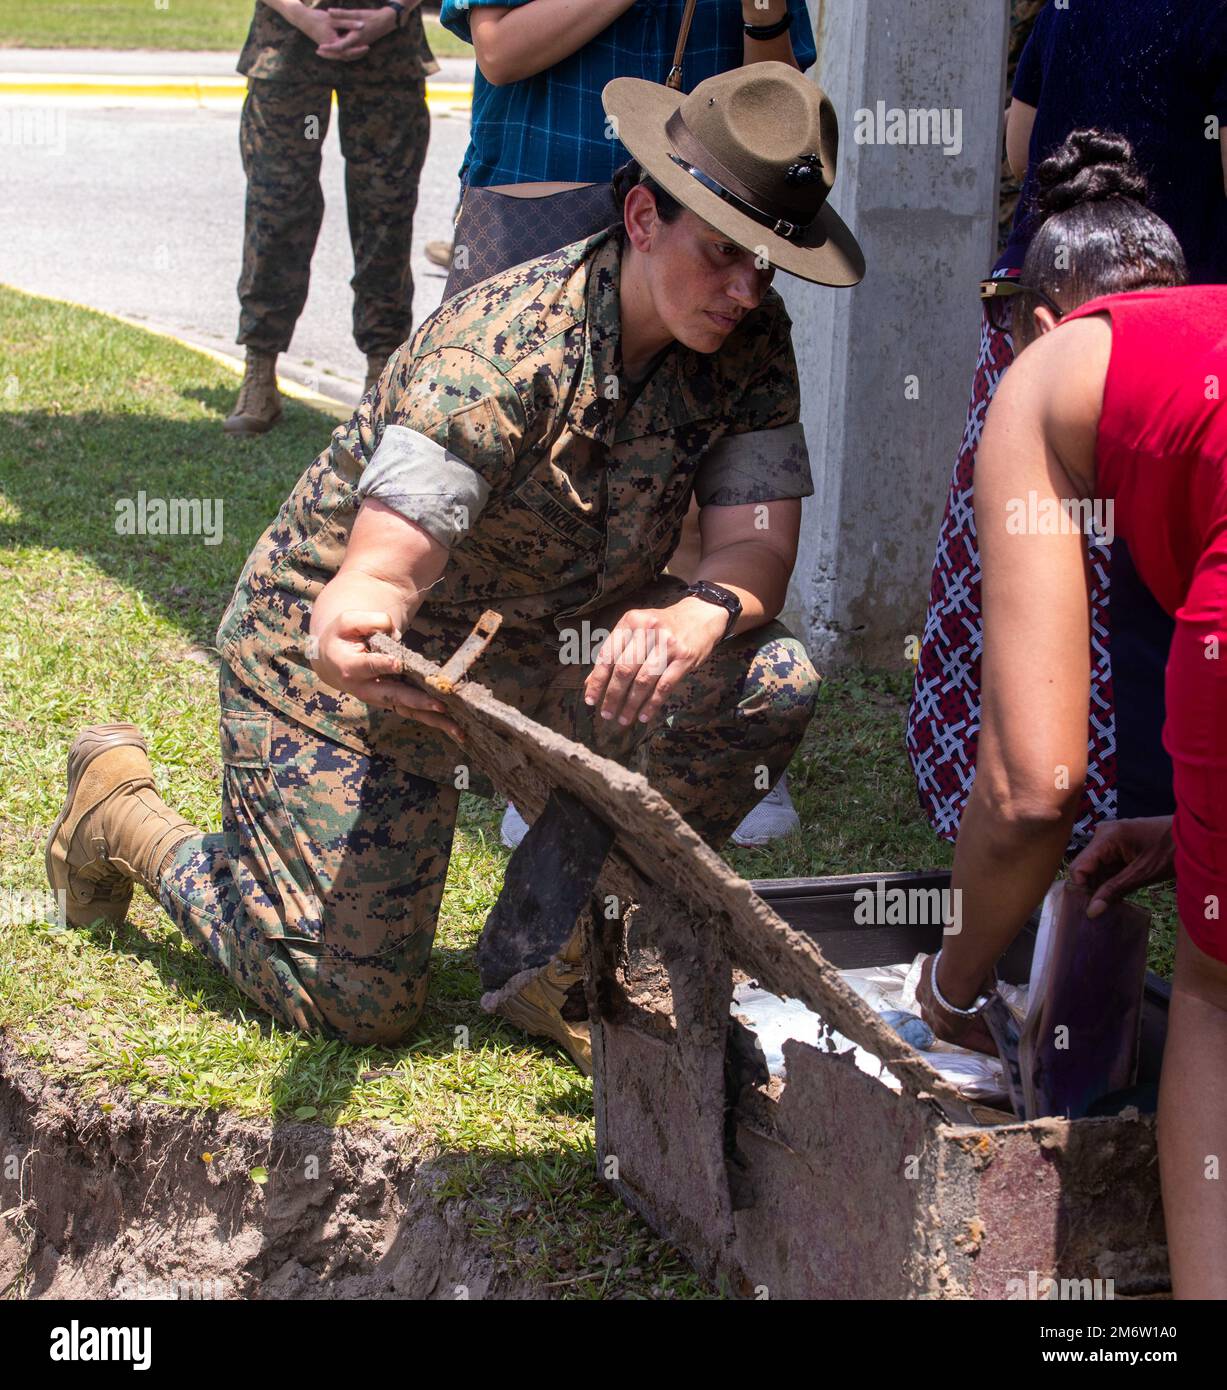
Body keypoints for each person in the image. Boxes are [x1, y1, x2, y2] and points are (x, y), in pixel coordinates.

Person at [46, 64, 864, 1076]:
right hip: (363, 666)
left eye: (769, 265)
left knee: (768, 676)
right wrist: (355, 624)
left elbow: (755, 546)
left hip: (550, 649)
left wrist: (702, 609)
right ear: (645, 215)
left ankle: (563, 957)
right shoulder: (502, 350)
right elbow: (384, 567)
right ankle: (119, 812)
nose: (747, 289)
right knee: (352, 1000)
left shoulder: (749, 343)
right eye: (726, 253)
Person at [913, 131, 1227, 1298]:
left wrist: (952, 985)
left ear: (1039, 326)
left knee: (1213, 996)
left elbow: (1034, 783)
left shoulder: (1045, 376)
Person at [440, 0, 819, 846]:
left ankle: (678, 739)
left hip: (712, 219)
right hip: (550, 190)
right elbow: (499, 48)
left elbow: (783, 110)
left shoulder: (744, 301)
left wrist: (760, 18)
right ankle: (532, 740)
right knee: (535, 494)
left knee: (688, 475)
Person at [908, 0, 1227, 845]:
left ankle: (995, 788)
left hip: (1033, 294)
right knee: (1143, 585)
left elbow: (1021, 149)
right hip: (1166, 327)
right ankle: (1145, 809)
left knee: (1004, 570)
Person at [223, 0, 438, 437]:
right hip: (286, 44)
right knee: (277, 208)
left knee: (386, 210)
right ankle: (260, 368)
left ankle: (382, 373)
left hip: (389, 45)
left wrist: (392, 14)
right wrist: (303, 16)